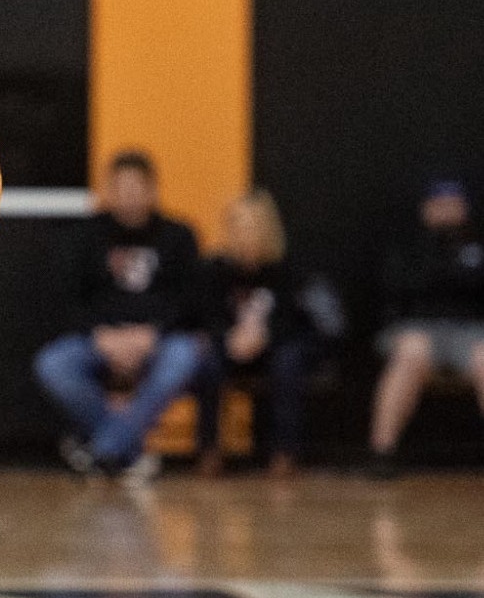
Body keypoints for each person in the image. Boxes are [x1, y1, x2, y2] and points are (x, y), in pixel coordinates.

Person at [32, 149, 204, 480]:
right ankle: (127, 446)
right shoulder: (85, 236)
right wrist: (103, 336)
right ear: (108, 191)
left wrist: (150, 334)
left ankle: (104, 451)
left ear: (153, 190)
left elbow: (190, 301)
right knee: (53, 364)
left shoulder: (179, 236)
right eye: (120, 187)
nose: (128, 196)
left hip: (159, 339)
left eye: (136, 187)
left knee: (183, 358)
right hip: (99, 339)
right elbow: (67, 299)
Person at [193, 190, 342, 478]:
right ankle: (209, 449)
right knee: (208, 362)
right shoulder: (214, 269)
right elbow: (206, 315)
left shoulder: (290, 269)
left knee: (288, 361)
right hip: (233, 346)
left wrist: (265, 336)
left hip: (277, 346)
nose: (246, 235)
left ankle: (284, 451)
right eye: (239, 227)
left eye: (253, 227)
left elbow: (299, 321)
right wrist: (229, 337)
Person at [368, 180, 484, 478]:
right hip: (415, 328)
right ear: (426, 208)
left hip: (470, 330)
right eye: (438, 205)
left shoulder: (475, 243)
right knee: (411, 352)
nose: (445, 211)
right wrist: (450, 269)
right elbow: (398, 287)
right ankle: (382, 451)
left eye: (452, 204)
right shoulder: (407, 245)